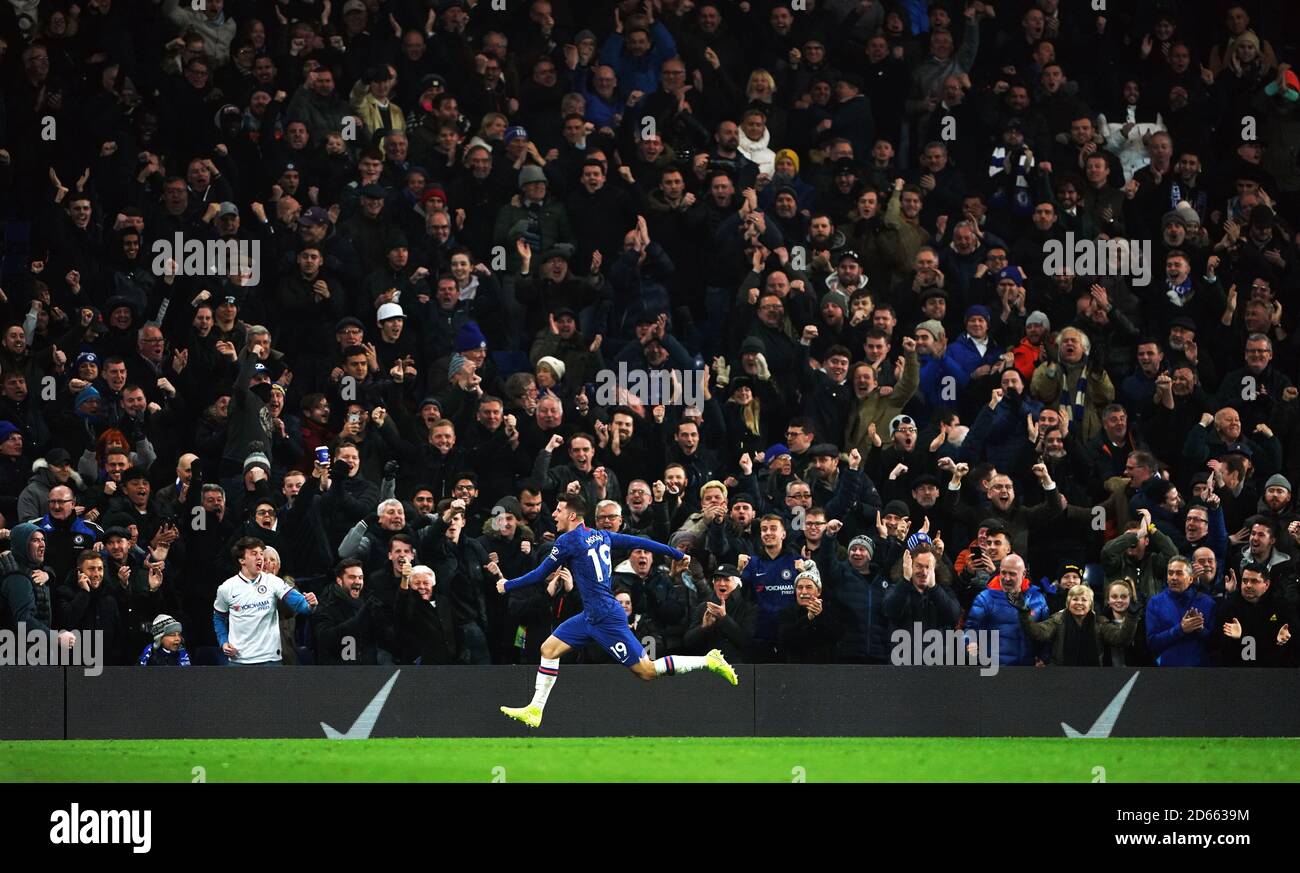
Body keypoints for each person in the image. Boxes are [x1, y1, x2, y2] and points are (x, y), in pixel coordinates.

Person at [495, 494, 737, 728]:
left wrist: (508, 585)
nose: (554, 515)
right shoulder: (602, 536)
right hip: (590, 615)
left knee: (647, 671)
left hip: (605, 617)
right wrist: (675, 553)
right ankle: (535, 709)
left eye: (559, 510)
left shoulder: (567, 541)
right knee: (548, 649)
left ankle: (708, 660)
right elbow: (640, 542)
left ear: (572, 515)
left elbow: (539, 574)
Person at [213, 537, 318, 666]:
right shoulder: (226, 588)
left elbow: (300, 604)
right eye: (254, 553)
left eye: (261, 553)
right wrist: (223, 642)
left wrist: (310, 604)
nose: (260, 557)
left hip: (270, 660)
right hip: (239, 661)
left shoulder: (273, 582)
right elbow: (219, 618)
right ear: (242, 560)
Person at [1017, 584, 1139, 666]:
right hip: (1061, 678)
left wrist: (1132, 616)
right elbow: (1038, 633)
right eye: (1075, 599)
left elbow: (1120, 639)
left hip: (1093, 679)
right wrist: (1024, 614)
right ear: (1068, 603)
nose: (1079, 603)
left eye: (1084, 600)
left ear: (1090, 604)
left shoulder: (1100, 622)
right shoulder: (1057, 620)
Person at [1145, 555, 1216, 666]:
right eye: (1170, 573)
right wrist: (1181, 629)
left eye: (1179, 573)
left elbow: (1215, 645)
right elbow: (1152, 643)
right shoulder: (1155, 603)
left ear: (1191, 579)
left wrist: (1200, 630)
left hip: (1200, 671)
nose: (1173, 577)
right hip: (1167, 671)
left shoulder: (1207, 603)